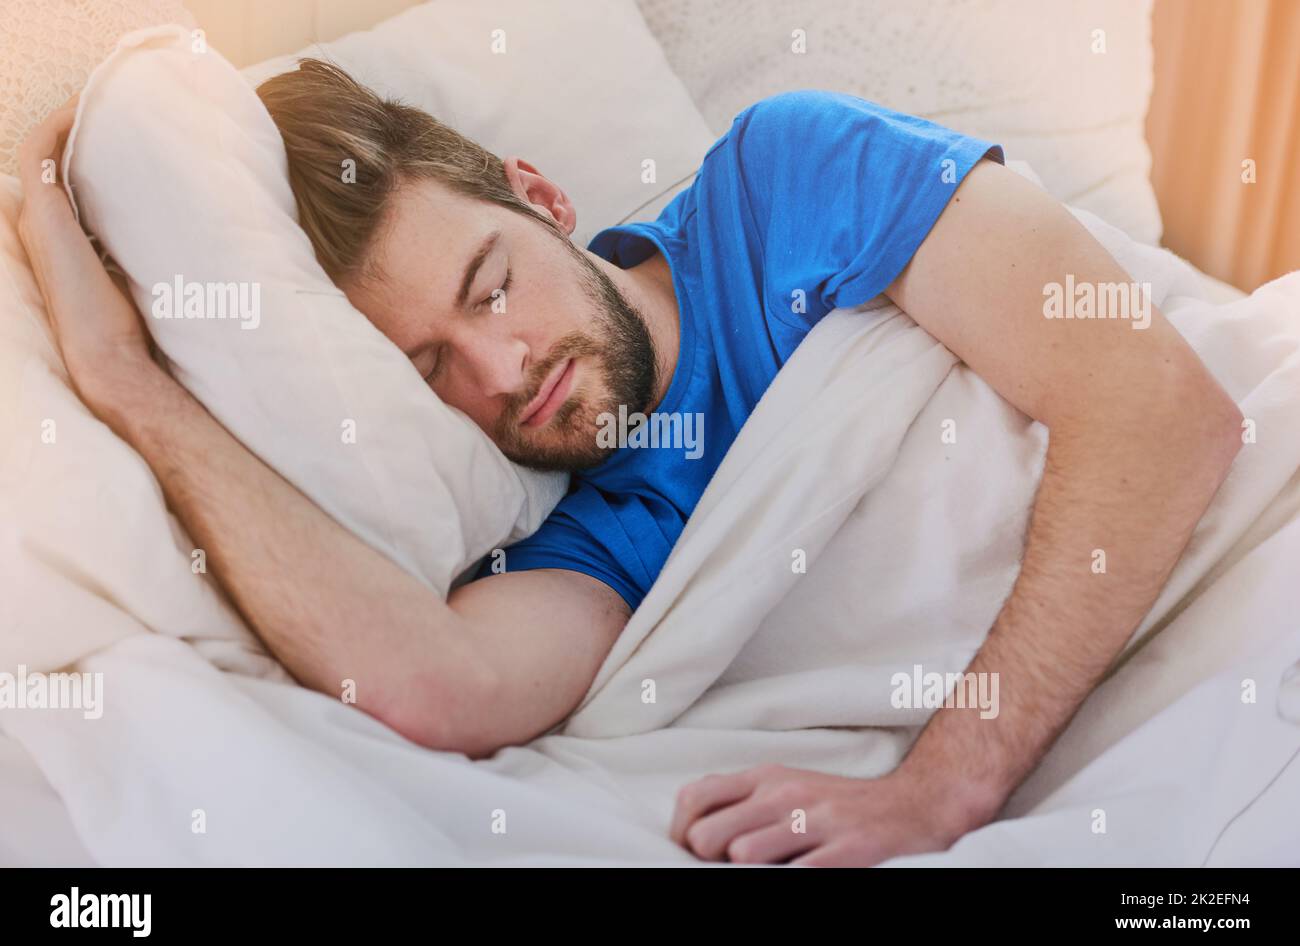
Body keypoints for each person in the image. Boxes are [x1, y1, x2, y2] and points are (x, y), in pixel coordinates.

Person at [17, 60, 1241, 866]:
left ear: (540, 196)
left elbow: (1158, 411)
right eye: (433, 372)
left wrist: (940, 792)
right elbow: (433, 688)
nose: (500, 372)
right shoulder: (590, 528)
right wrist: (126, 381)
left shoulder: (781, 183)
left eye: (489, 287)